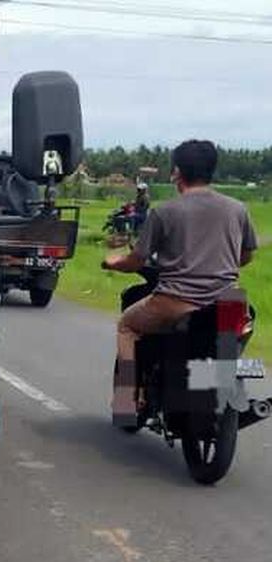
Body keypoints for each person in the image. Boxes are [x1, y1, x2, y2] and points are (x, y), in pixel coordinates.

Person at [102, 140, 259, 427]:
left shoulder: (164, 212)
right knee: (236, 335)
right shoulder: (238, 209)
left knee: (126, 326)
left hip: (175, 302)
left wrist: (113, 262)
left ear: (176, 173)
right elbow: (245, 255)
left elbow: (137, 260)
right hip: (230, 302)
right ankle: (222, 375)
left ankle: (126, 401)